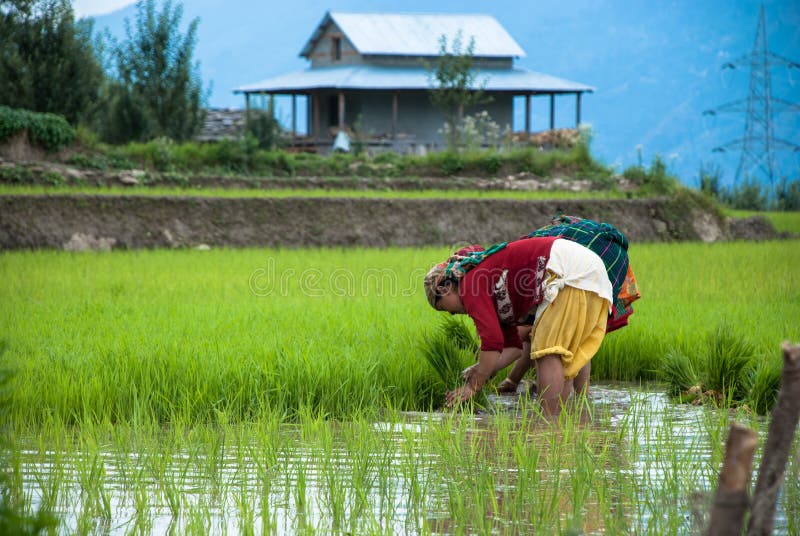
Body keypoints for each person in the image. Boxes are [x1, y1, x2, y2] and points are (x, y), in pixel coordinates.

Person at [424, 236, 613, 415]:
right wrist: (480, 368)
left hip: (567, 271)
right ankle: (560, 429)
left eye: (443, 307)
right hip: (589, 272)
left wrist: (473, 386)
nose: (452, 314)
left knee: (547, 353)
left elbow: (491, 342)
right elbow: (513, 349)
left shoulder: (470, 284)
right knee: (561, 358)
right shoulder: (489, 288)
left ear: (444, 288)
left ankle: (546, 426)